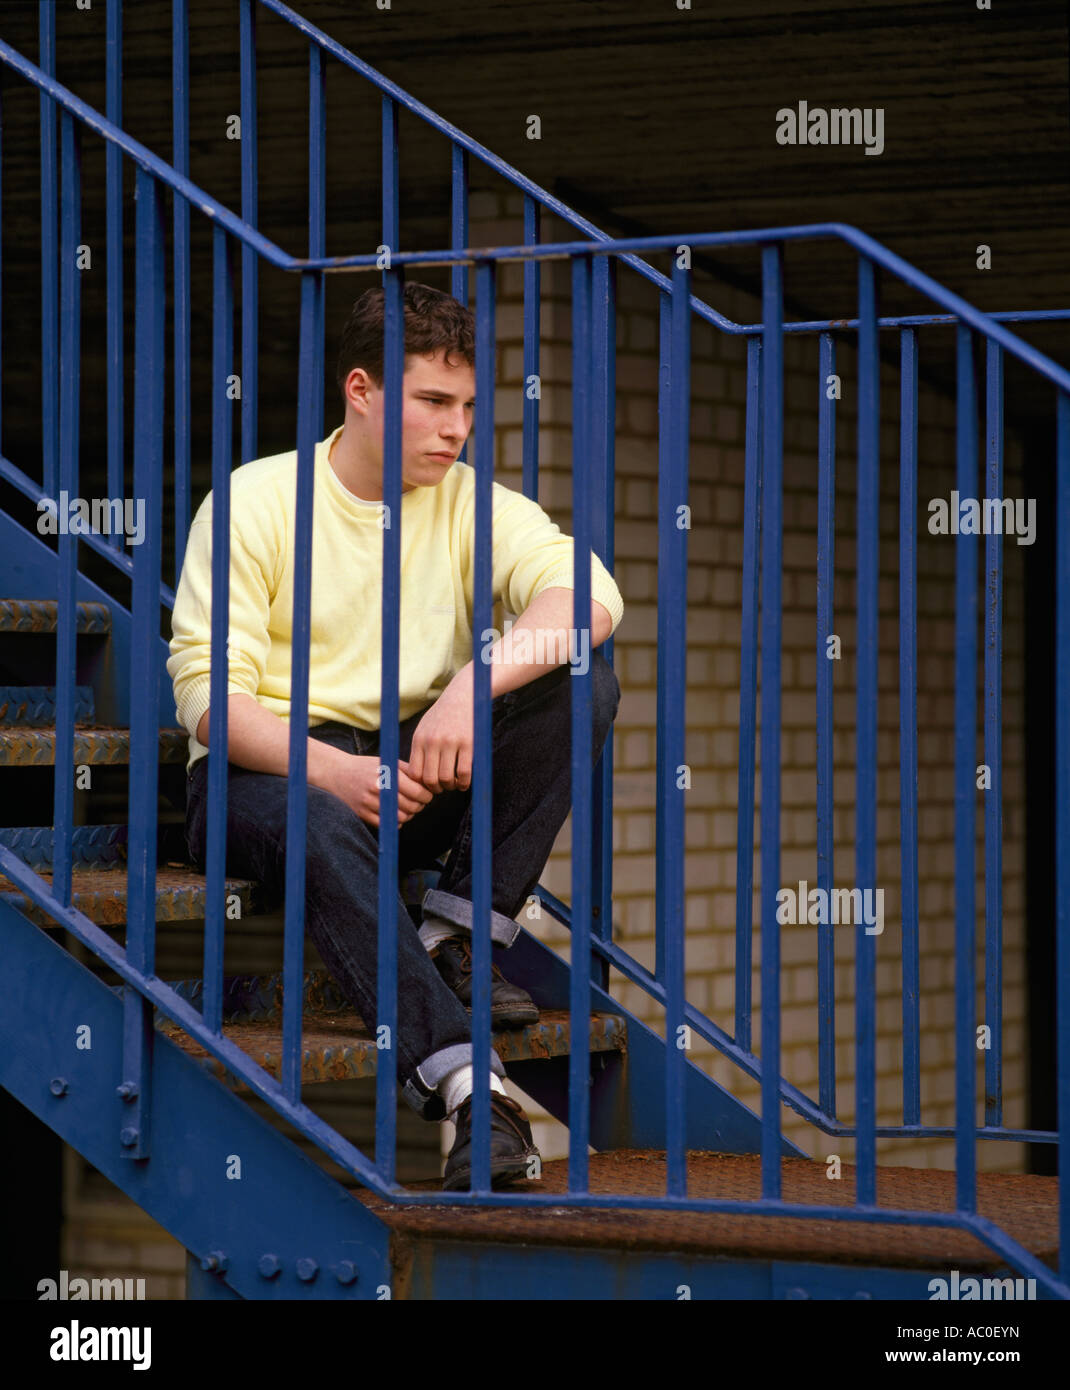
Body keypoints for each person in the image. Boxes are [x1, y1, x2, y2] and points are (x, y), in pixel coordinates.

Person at [167, 281, 624, 1190]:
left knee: (581, 677)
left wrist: (470, 685)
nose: (454, 429)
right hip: (264, 775)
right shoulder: (257, 502)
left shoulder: (471, 505)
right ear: (362, 390)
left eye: (465, 407)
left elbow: (591, 598)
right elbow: (212, 704)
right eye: (431, 402)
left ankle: (457, 933)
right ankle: (472, 1096)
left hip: (410, 771)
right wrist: (337, 772)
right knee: (315, 814)